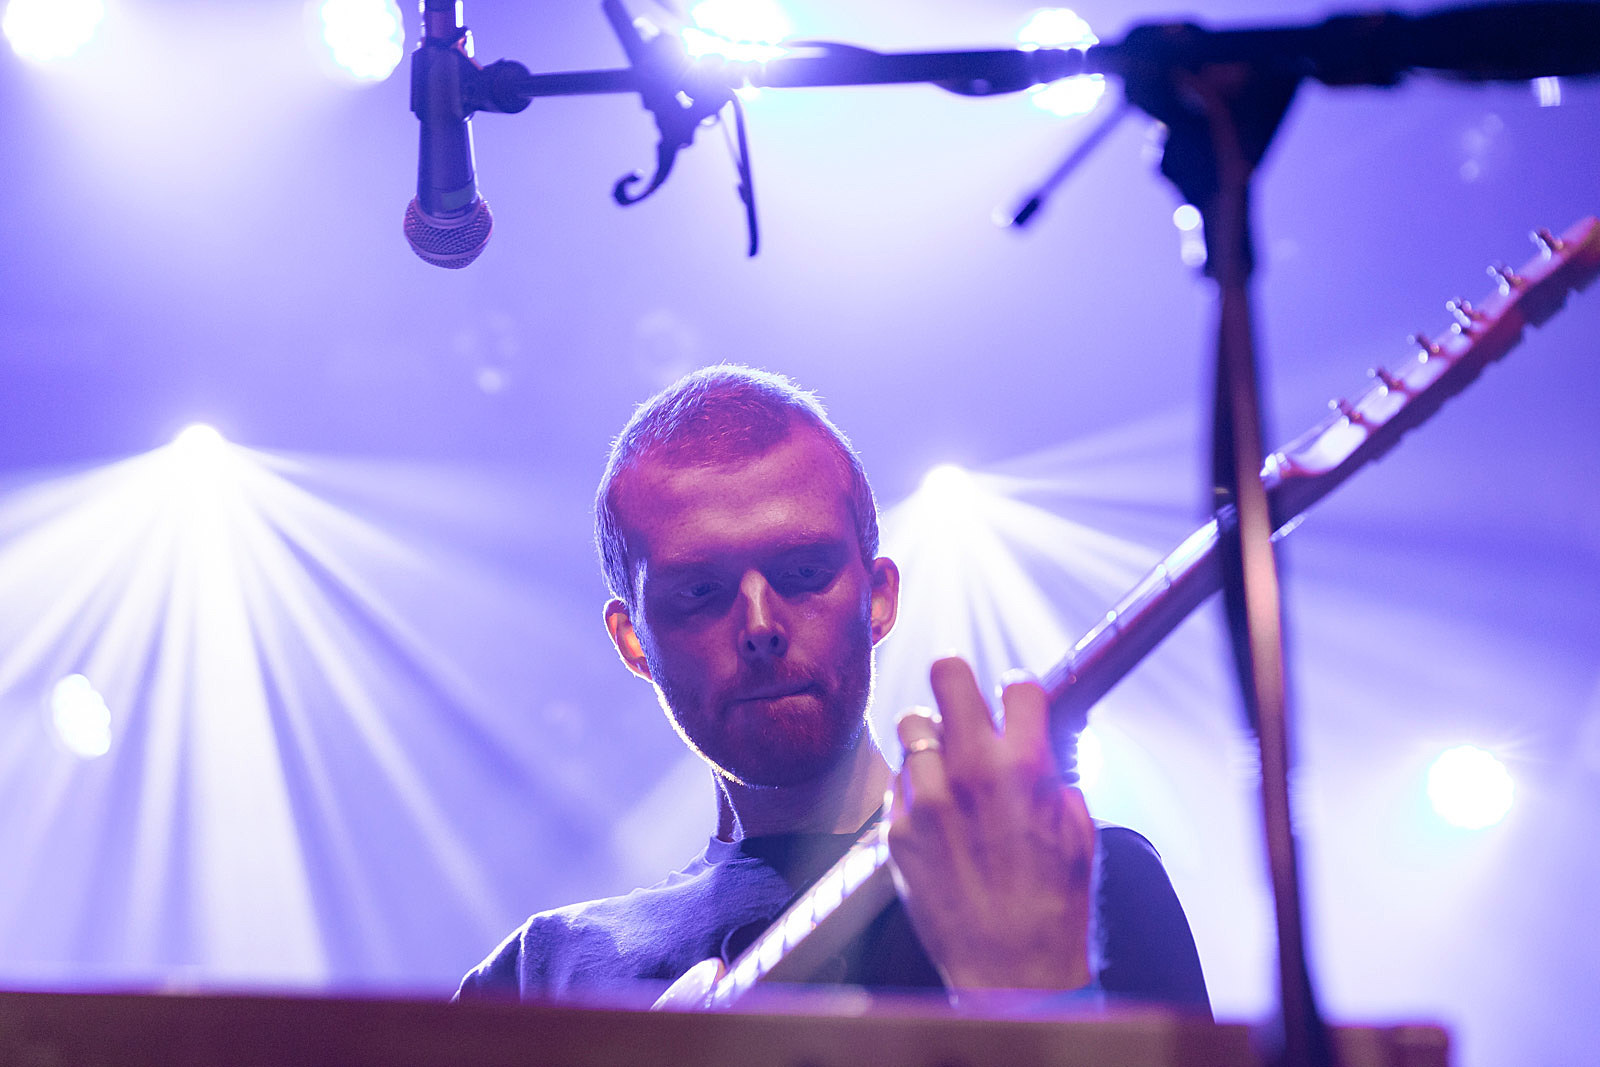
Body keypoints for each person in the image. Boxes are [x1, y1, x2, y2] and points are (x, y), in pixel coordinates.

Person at [456, 365, 1209, 1012]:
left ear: (879, 596)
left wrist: (1039, 996)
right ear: (632, 641)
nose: (759, 624)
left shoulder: (1069, 881)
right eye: (700, 592)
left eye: (803, 572)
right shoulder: (539, 975)